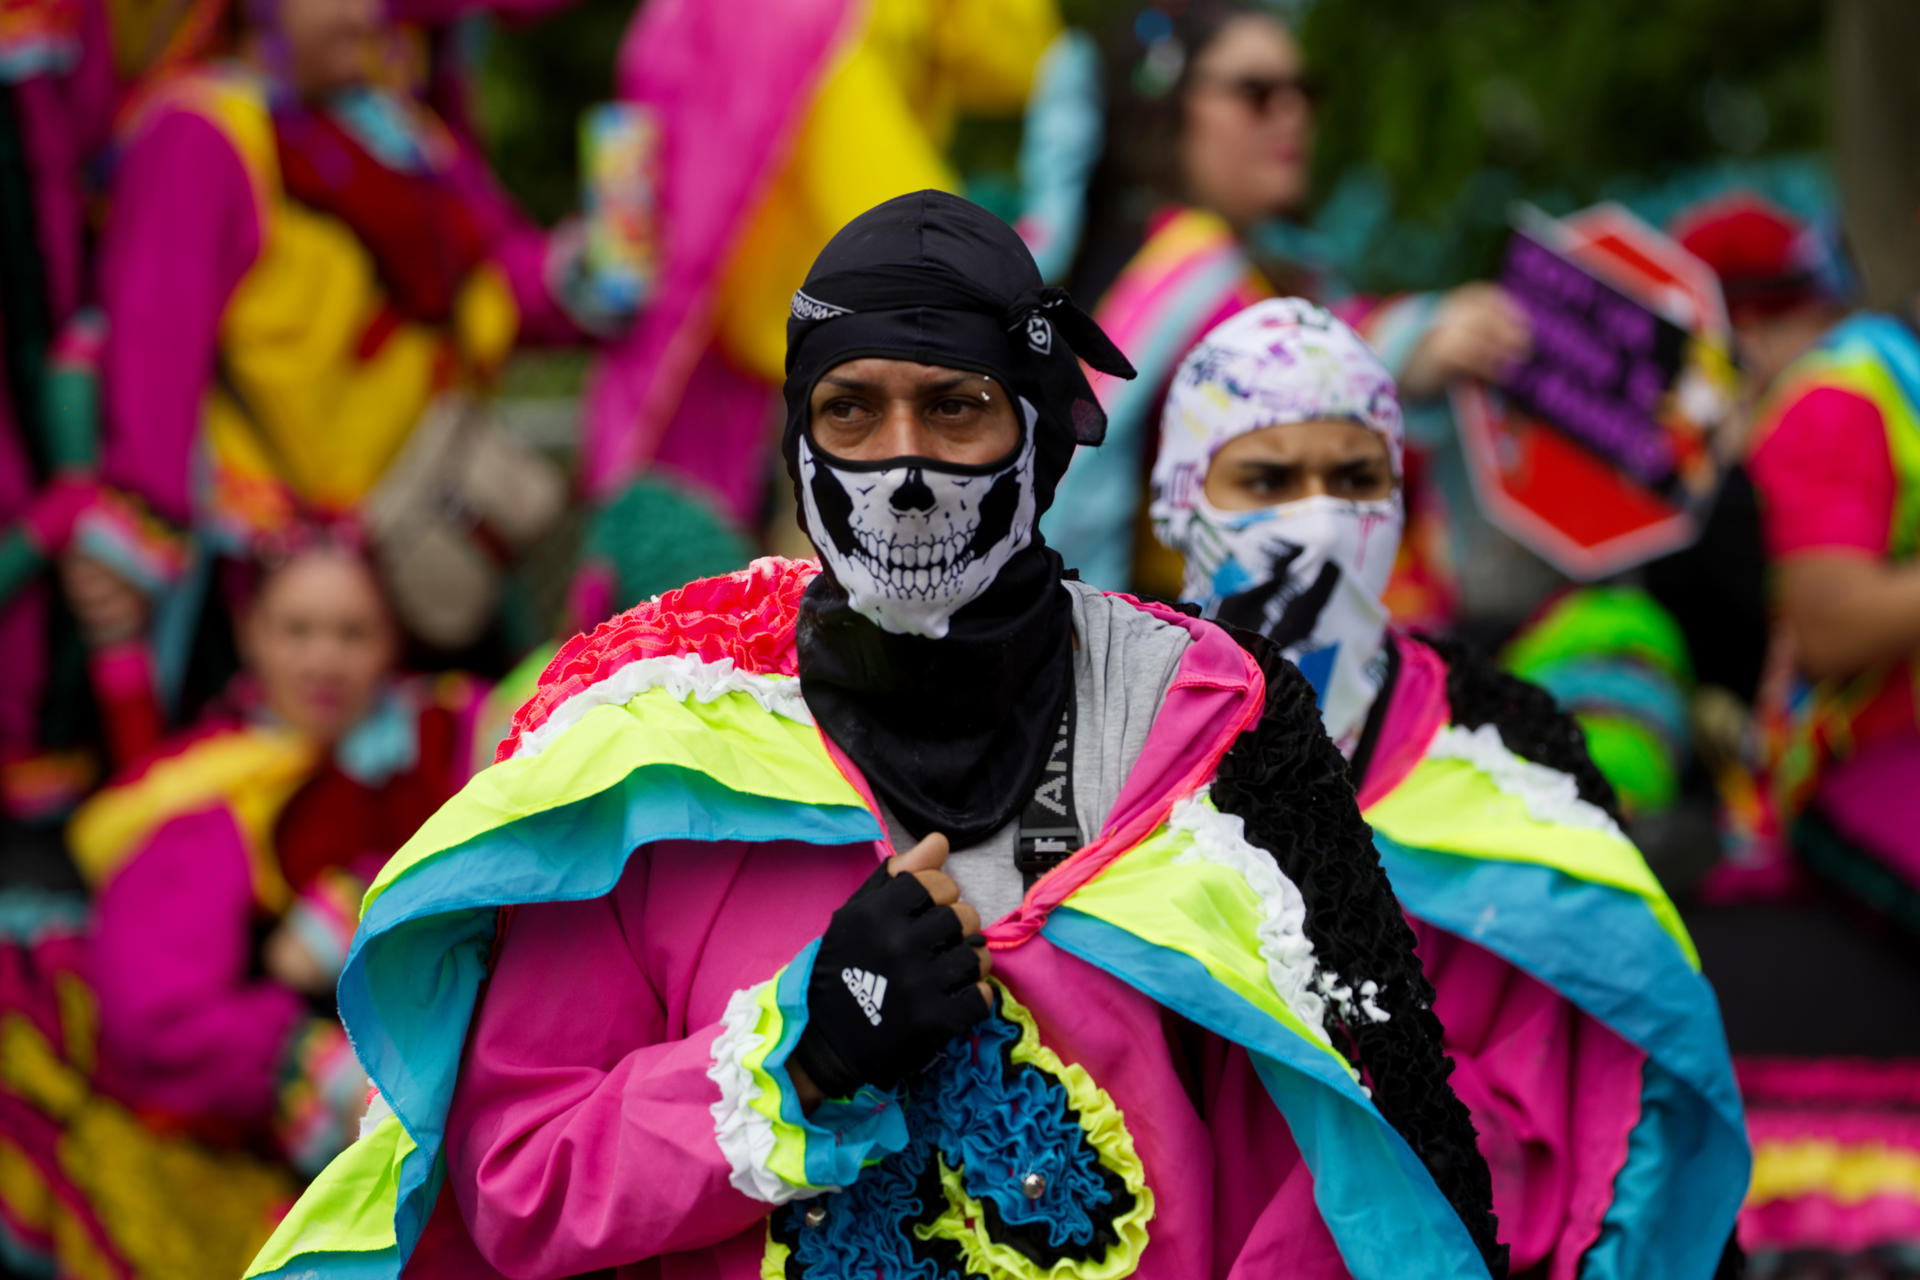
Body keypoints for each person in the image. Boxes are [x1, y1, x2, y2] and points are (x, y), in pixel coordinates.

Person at [247, 191, 1506, 1280]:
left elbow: (1355, 1173)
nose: (903, 463)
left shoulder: (1209, 721)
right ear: (799, 441)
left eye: (956, 408)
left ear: (1040, 436)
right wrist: (800, 1049)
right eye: (852, 411)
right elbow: (518, 1182)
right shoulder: (660, 737)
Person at [1149, 298, 1749, 1278]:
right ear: (1180, 500)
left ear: (1398, 495)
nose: (1318, 517)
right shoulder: (1105, 732)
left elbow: (1618, 1083)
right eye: (1266, 476)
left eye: (1353, 478)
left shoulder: (1506, 744)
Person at [61, 0, 609, 718]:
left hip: (427, 558)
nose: (368, 15)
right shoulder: (199, 133)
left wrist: (580, 272)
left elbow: (490, 281)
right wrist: (135, 544)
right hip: (276, 599)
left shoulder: (396, 129)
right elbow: (153, 375)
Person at [0, 532, 489, 1279]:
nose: (323, 659)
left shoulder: (423, 747)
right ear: (250, 633)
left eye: (352, 633)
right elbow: (159, 1024)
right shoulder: (205, 800)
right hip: (194, 1122)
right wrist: (317, 1068)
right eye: (297, 630)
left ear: (393, 640)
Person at [1027, 0, 1530, 600]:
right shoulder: (1184, 264)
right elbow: (1294, 385)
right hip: (1221, 662)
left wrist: (1426, 337)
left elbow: (1333, 342)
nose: (1291, 114)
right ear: (1171, 111)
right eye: (1257, 92)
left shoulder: (1286, 262)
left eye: (1304, 91)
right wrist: (1416, 345)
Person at [582, 0, 1061, 529]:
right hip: (811, 371)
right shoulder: (824, 27)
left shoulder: (668, 21)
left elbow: (1014, 62)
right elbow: (907, 226)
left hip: (682, 363)